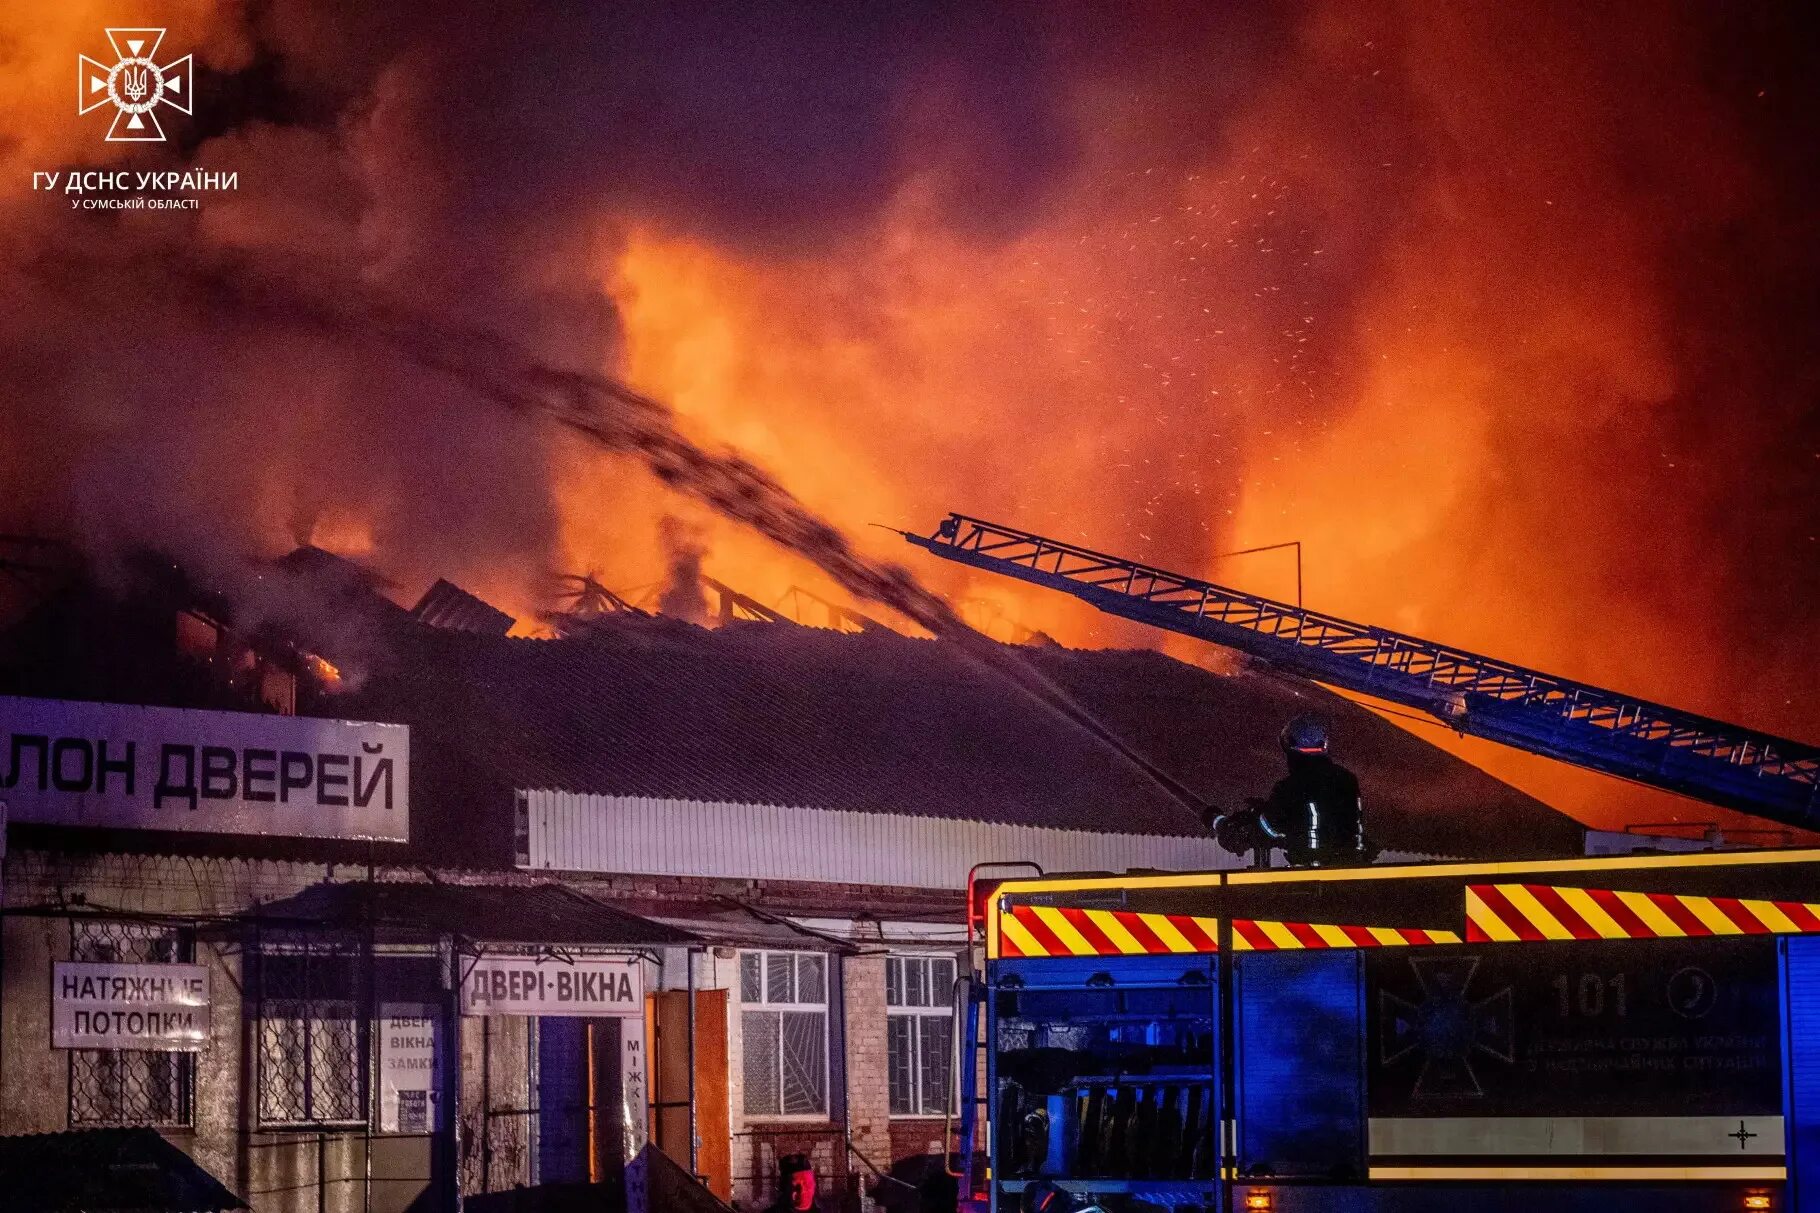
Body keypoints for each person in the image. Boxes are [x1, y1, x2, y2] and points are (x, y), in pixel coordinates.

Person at [1258, 714, 1374, 866]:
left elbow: (1269, 829)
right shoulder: (1347, 779)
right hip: (1351, 867)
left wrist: (1256, 816)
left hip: (1309, 871)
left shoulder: (1290, 786)